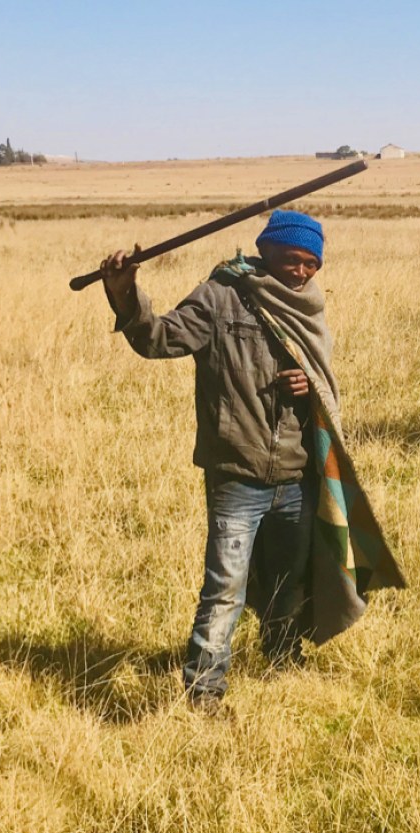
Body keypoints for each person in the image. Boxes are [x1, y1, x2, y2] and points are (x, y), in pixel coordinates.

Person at [100, 210, 337, 712]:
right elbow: (158, 339)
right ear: (265, 251)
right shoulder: (221, 296)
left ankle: (282, 659)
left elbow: (322, 379)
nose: (302, 272)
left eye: (311, 263)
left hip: (296, 471)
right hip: (236, 472)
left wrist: (308, 385)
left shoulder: (307, 305)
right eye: (292, 260)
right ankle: (204, 690)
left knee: (289, 580)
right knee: (225, 588)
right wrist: (125, 294)